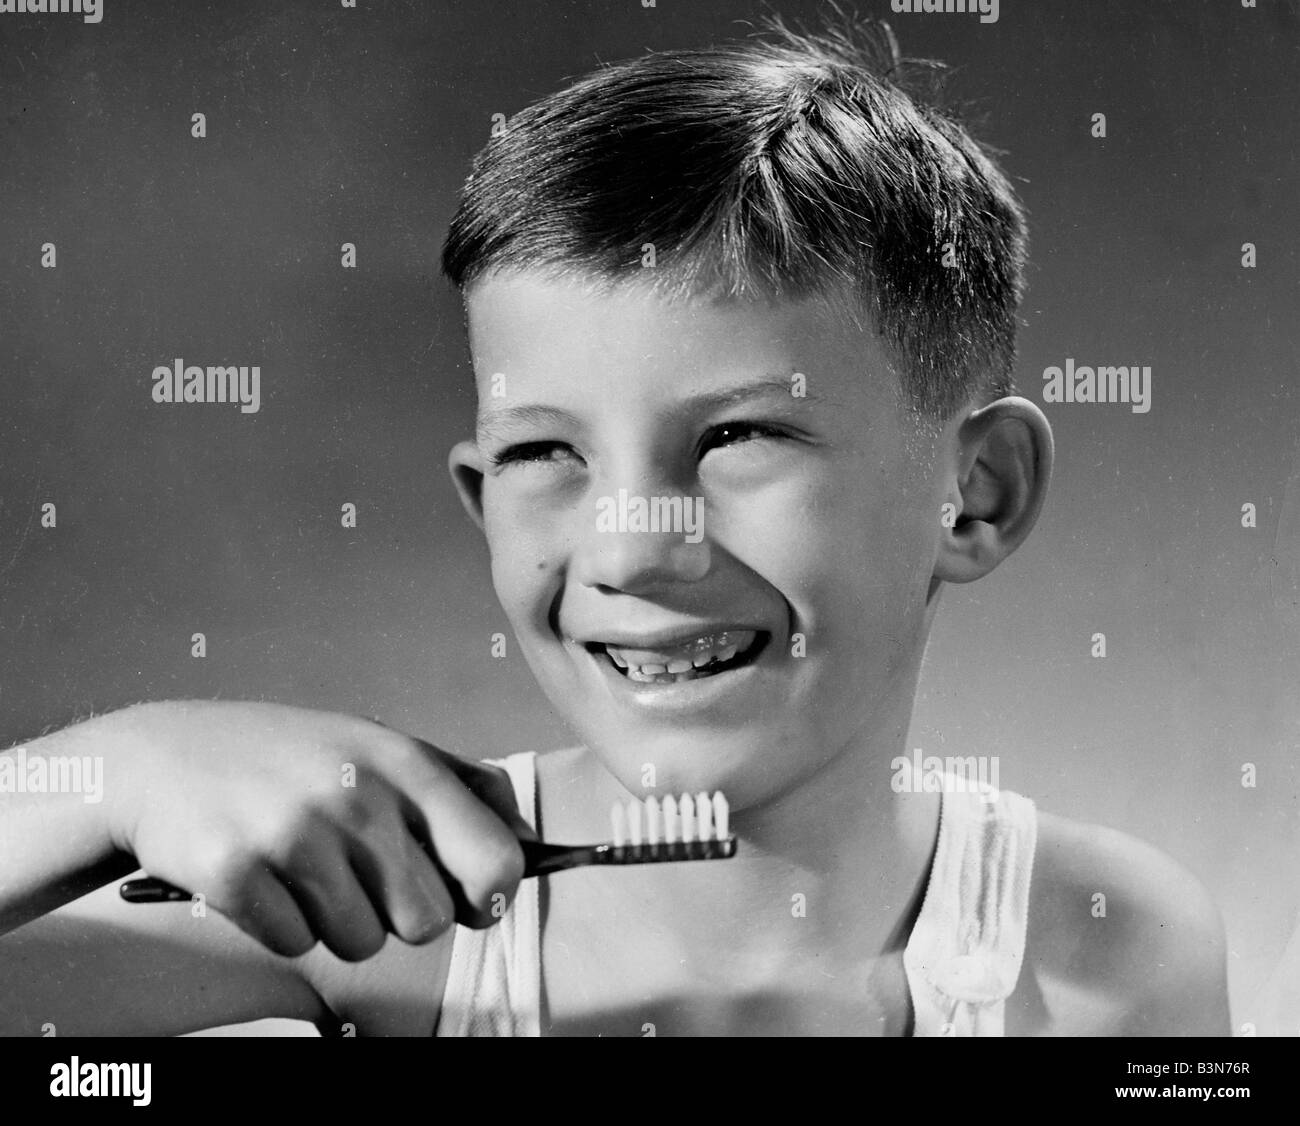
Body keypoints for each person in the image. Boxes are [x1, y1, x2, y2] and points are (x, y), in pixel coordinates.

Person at [0, 14, 1228, 1036]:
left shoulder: (1109, 955)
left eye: (741, 435)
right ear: (482, 501)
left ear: (983, 492)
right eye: (546, 453)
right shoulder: (347, 925)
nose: (632, 544)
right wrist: (110, 768)